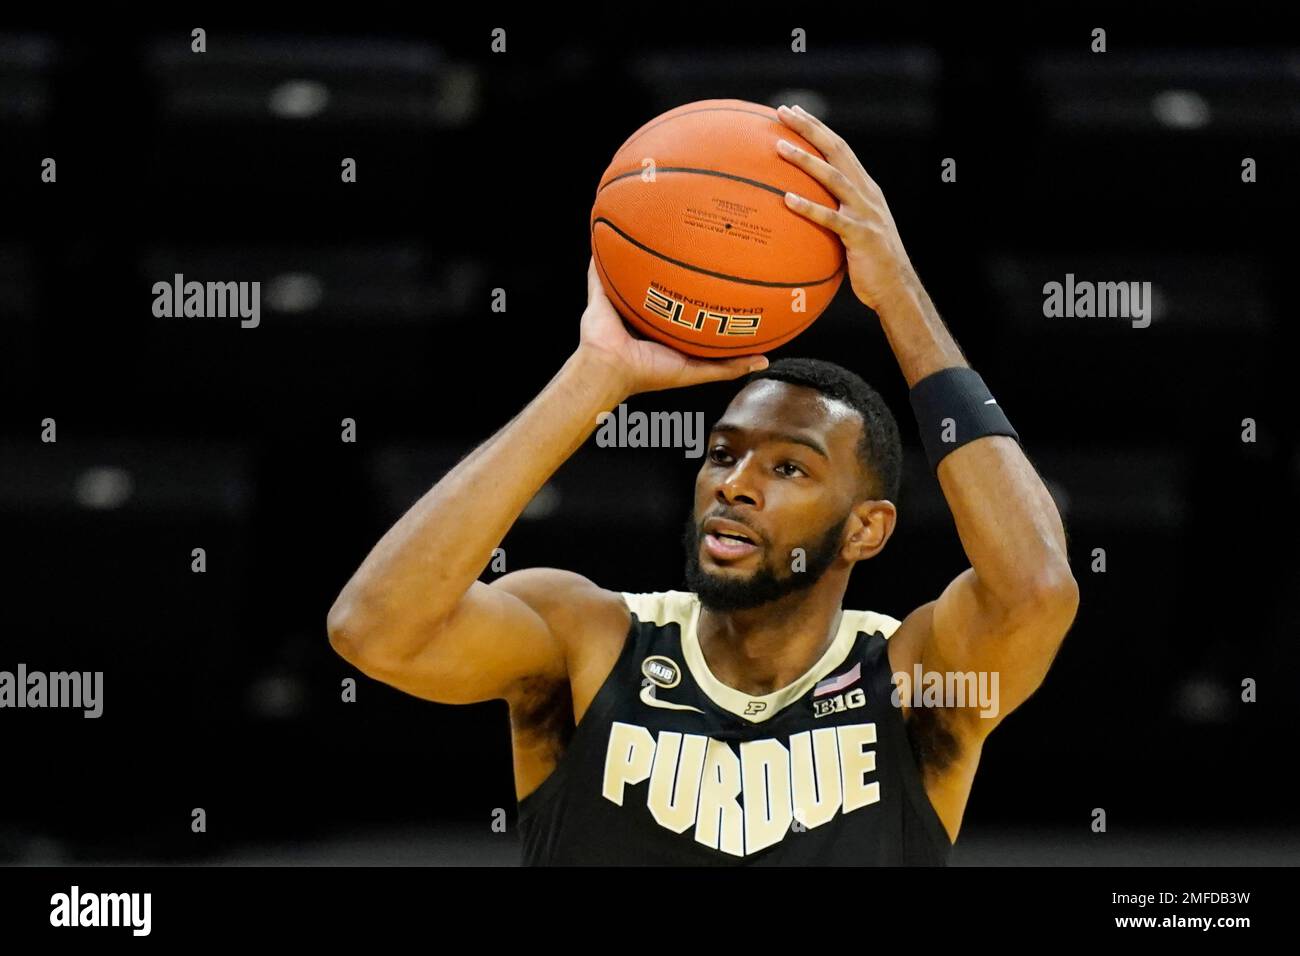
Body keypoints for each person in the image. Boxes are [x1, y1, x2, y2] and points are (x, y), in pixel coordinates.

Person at [327, 103, 1079, 865]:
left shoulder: (915, 684)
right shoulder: (588, 642)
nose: (737, 484)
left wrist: (901, 298)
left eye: (789, 467)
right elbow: (375, 627)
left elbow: (1038, 587)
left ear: (867, 528)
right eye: (723, 453)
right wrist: (591, 381)